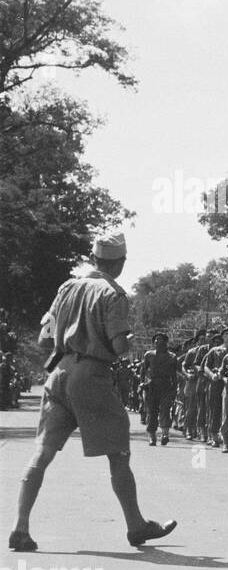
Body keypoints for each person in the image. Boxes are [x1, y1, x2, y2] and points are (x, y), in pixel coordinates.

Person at [9, 232, 177, 551]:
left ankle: (20, 528)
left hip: (58, 374)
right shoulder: (113, 294)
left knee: (41, 454)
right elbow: (119, 345)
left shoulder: (67, 287)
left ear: (95, 258)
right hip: (91, 374)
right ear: (121, 262)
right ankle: (136, 525)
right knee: (118, 454)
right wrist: (123, 341)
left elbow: (44, 339)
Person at [141, 332, 180, 446]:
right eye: (156, 340)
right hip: (153, 385)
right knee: (152, 411)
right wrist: (142, 382)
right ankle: (152, 436)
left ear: (165, 342)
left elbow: (174, 374)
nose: (158, 342)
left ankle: (165, 434)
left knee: (165, 409)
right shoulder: (149, 355)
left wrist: (174, 388)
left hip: (166, 385)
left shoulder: (172, 356)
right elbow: (143, 370)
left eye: (160, 339)